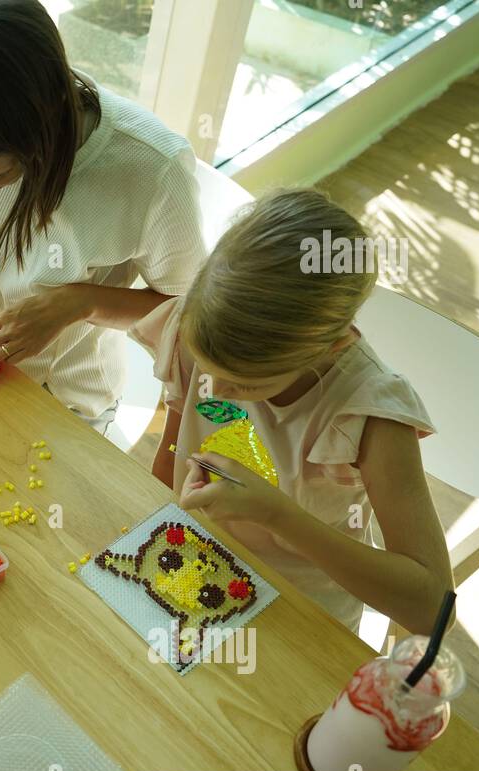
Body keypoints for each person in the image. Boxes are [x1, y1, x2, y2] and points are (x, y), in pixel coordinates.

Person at [132, 189, 453, 635]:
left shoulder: (368, 415)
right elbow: (172, 443)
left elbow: (432, 609)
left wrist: (276, 514)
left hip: (301, 617)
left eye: (247, 384)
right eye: (207, 369)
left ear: (335, 343)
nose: (217, 390)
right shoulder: (204, 329)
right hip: (193, 567)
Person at [0, 0, 206, 434]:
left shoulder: (152, 169)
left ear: (46, 119)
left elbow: (192, 313)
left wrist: (79, 303)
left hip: (66, 401)